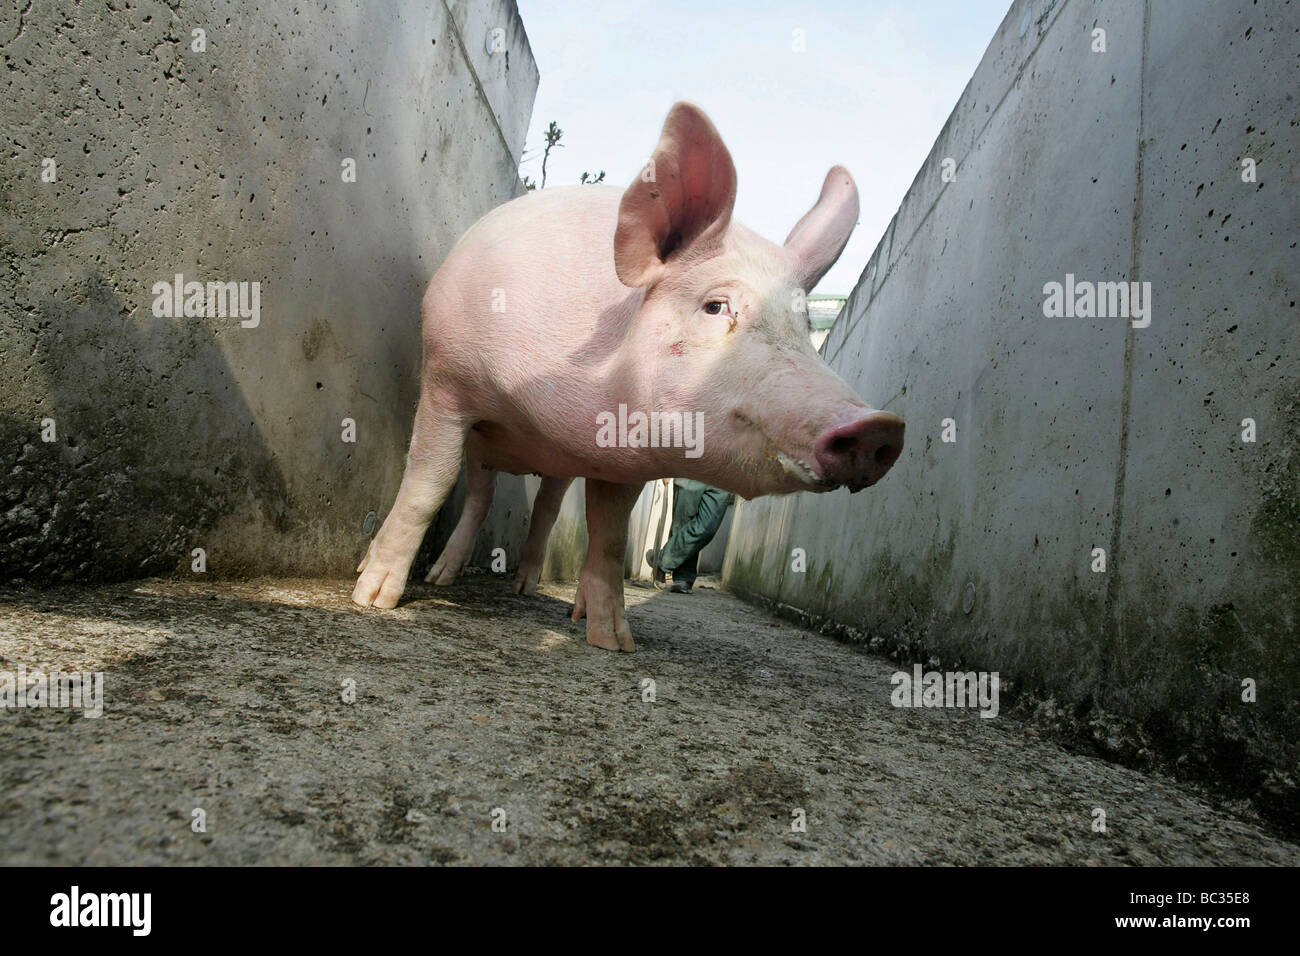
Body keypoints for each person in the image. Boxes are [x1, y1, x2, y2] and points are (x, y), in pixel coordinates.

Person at [647, 478, 734, 593]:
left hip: (724, 474)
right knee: (682, 523)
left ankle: (661, 560)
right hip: (689, 469)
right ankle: (683, 578)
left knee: (708, 527)